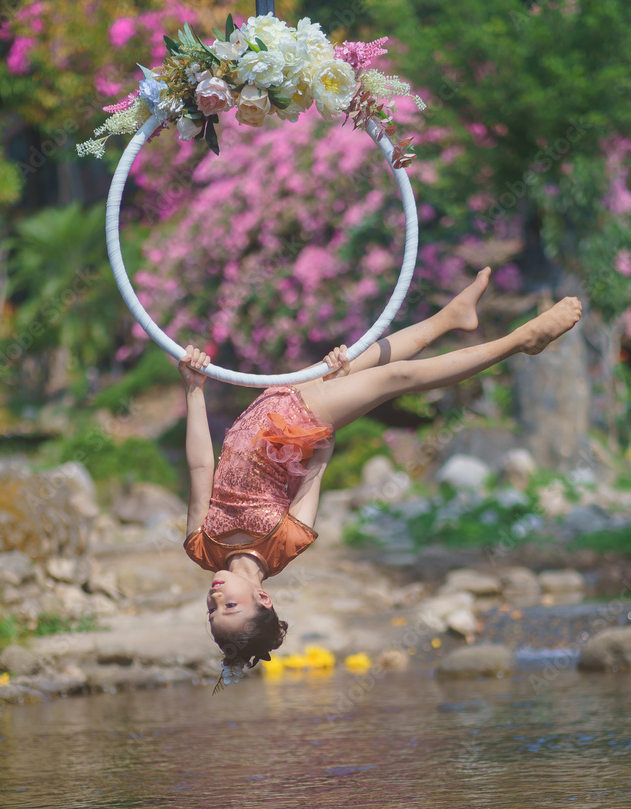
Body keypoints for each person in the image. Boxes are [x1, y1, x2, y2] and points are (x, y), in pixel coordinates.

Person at [180, 267, 582, 691]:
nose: (213, 600)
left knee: (370, 357)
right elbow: (316, 468)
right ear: (263, 599)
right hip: (296, 425)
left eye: (211, 612)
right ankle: (520, 342)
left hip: (268, 404)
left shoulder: (200, 545)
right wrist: (332, 401)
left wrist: (194, 391)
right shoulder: (284, 545)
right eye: (227, 607)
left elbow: (201, 467)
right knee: (394, 377)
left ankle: (452, 316)